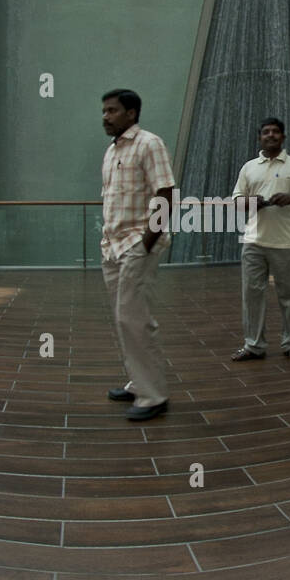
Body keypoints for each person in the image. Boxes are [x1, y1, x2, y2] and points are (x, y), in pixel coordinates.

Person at [97, 89, 176, 421]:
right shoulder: (111, 150)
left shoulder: (149, 143)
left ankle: (153, 395)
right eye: (104, 111)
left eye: (112, 110)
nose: (105, 116)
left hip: (136, 245)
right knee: (123, 319)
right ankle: (138, 381)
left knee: (134, 319)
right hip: (112, 247)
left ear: (131, 113)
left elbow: (166, 193)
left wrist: (146, 242)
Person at [230, 116, 290, 362]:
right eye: (266, 132)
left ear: (283, 137)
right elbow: (236, 201)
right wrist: (251, 202)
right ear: (259, 137)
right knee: (252, 296)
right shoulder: (249, 167)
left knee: (287, 296)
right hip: (253, 242)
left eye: (276, 132)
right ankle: (254, 346)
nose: (271, 135)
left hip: (285, 243)